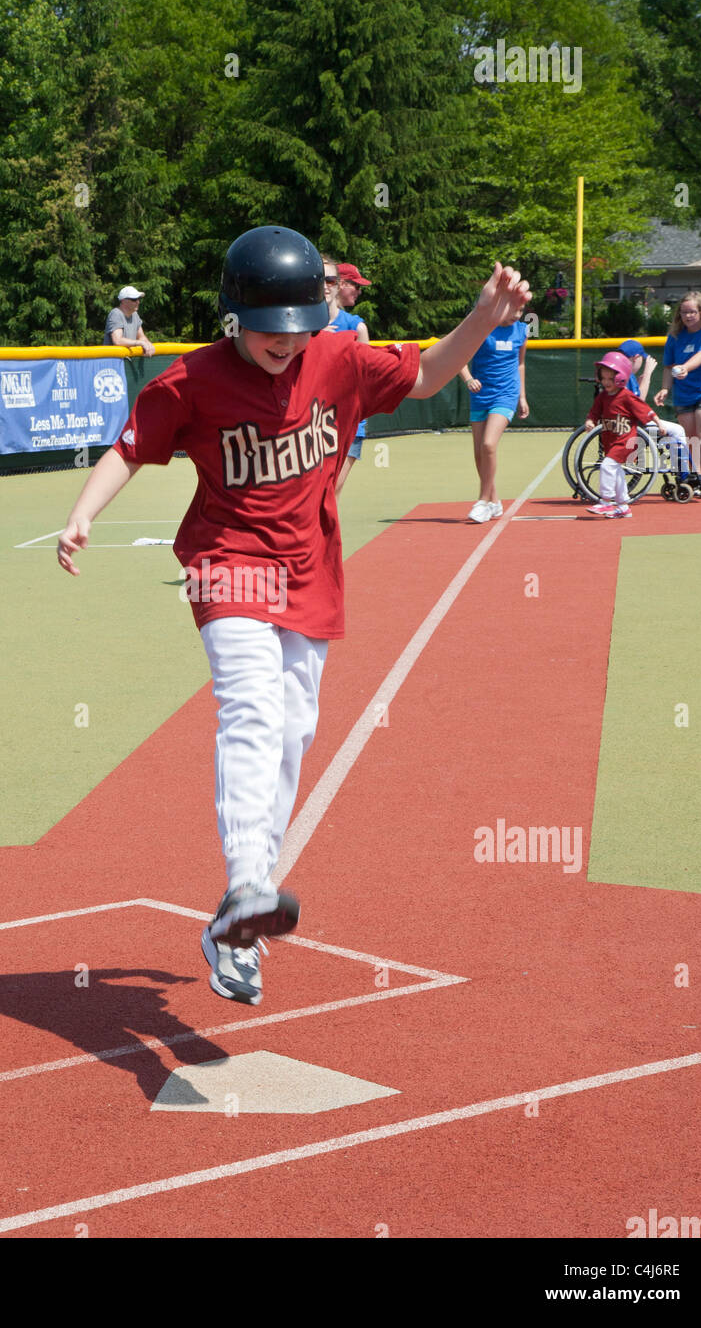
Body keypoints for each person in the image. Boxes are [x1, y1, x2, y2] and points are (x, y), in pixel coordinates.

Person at [58, 226, 529, 1006]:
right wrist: (81, 513)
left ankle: (234, 923)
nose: (285, 342)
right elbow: (132, 447)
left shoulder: (337, 356)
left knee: (292, 731)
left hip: (310, 570)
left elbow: (426, 377)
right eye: (268, 329)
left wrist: (483, 316)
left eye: (298, 325)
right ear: (234, 317)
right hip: (226, 562)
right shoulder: (193, 380)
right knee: (249, 708)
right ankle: (248, 882)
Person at [583, 350, 678, 518]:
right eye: (603, 378)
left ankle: (606, 502)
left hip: (626, 441)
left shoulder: (626, 396)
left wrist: (659, 423)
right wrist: (590, 421)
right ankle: (623, 506)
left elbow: (646, 411)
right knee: (616, 471)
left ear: (621, 377)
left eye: (610, 378)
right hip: (610, 440)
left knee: (607, 465)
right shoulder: (603, 397)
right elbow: (594, 412)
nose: (606, 382)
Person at [459, 305, 529, 522]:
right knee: (480, 453)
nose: (517, 315)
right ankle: (495, 501)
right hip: (480, 395)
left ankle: (482, 501)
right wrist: (469, 379)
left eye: (521, 310)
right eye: (513, 310)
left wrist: (522, 397)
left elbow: (520, 364)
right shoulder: (481, 328)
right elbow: (459, 357)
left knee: (489, 444)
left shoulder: (522, 331)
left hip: (506, 395)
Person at [653, 292, 701, 496]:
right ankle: (697, 477)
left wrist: (685, 367)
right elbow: (669, 366)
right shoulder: (675, 336)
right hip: (684, 393)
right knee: (690, 436)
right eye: (684, 312)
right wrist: (665, 388)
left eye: (693, 312)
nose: (688, 316)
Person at [322, 257, 371, 494]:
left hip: (349, 420)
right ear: (340, 284)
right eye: (356, 286)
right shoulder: (303, 325)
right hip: (313, 419)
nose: (359, 292)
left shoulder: (355, 326)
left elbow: (367, 378)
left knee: (332, 489)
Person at [103, 287, 155, 356]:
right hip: (113, 362)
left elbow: (141, 336)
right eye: (134, 299)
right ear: (123, 301)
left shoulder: (135, 314)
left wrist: (148, 344)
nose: (138, 302)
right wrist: (140, 343)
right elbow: (118, 341)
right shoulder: (116, 314)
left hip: (127, 360)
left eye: (138, 299)